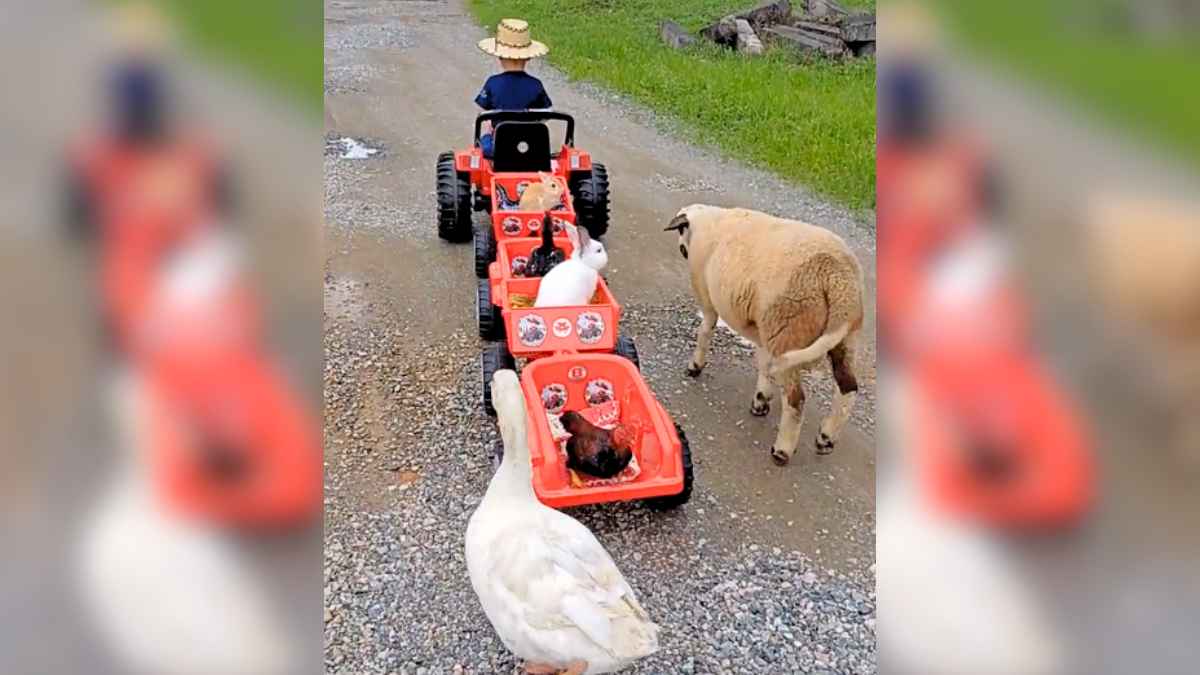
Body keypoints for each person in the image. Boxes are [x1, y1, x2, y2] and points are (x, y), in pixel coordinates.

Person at [474, 18, 552, 158]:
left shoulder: (492, 82)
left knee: (484, 138)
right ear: (528, 58)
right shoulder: (536, 84)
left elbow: (482, 114)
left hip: (498, 148)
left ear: (500, 57)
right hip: (530, 146)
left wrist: (490, 128)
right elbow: (547, 114)